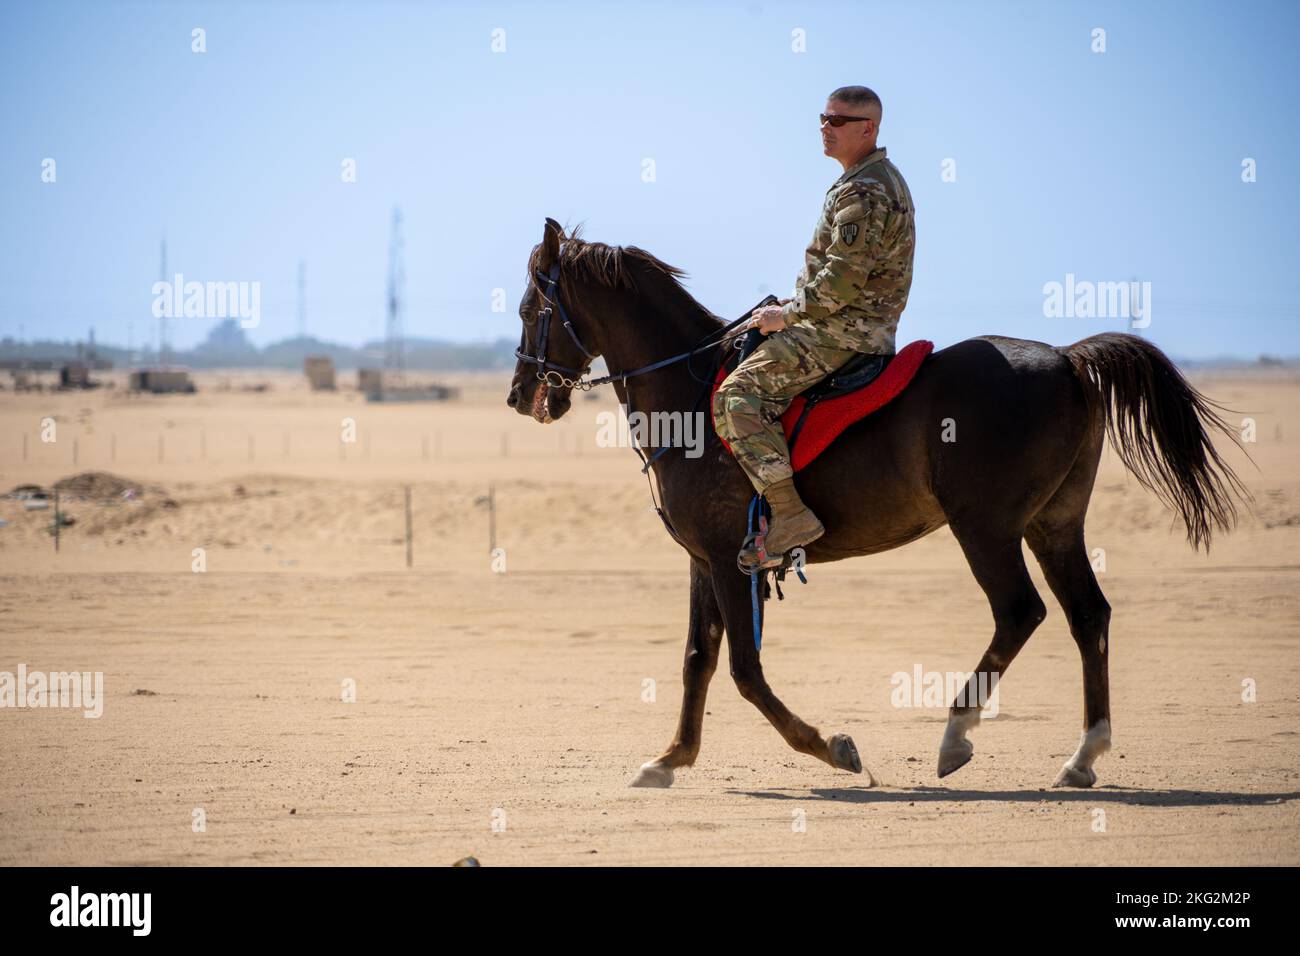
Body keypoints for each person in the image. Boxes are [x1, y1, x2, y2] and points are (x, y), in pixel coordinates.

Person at [712, 85, 916, 570]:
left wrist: (787, 314)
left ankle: (789, 515)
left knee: (736, 396)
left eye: (838, 121)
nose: (826, 127)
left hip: (843, 334)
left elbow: (842, 282)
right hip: (843, 324)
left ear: (868, 129)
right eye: (823, 118)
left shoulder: (864, 188)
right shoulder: (871, 178)